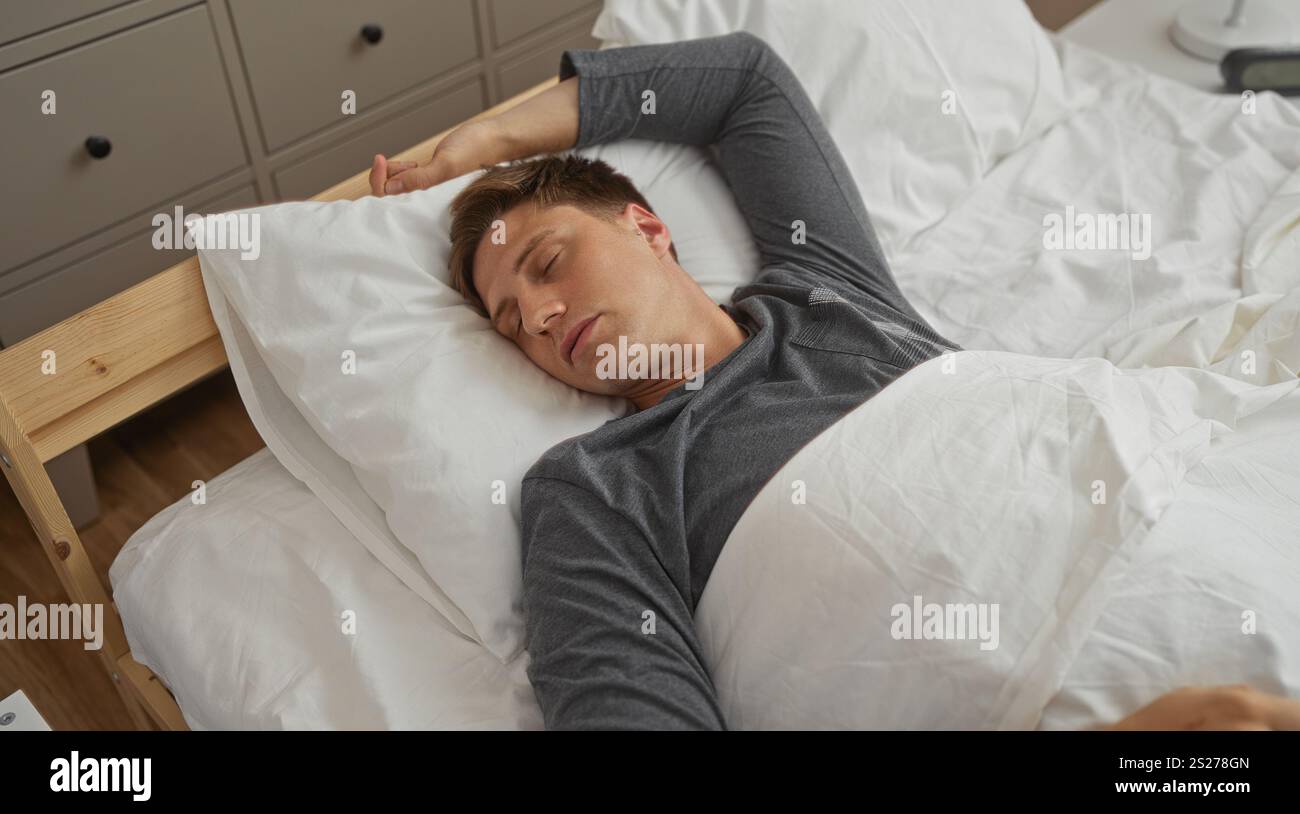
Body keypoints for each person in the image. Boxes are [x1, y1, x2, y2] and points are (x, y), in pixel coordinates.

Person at [369, 32, 1299, 731]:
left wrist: (484, 135)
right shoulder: (596, 490)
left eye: (547, 260)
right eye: (505, 319)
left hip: (1205, 539)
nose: (533, 315)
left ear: (647, 228)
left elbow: (742, 82)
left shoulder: (829, 293)